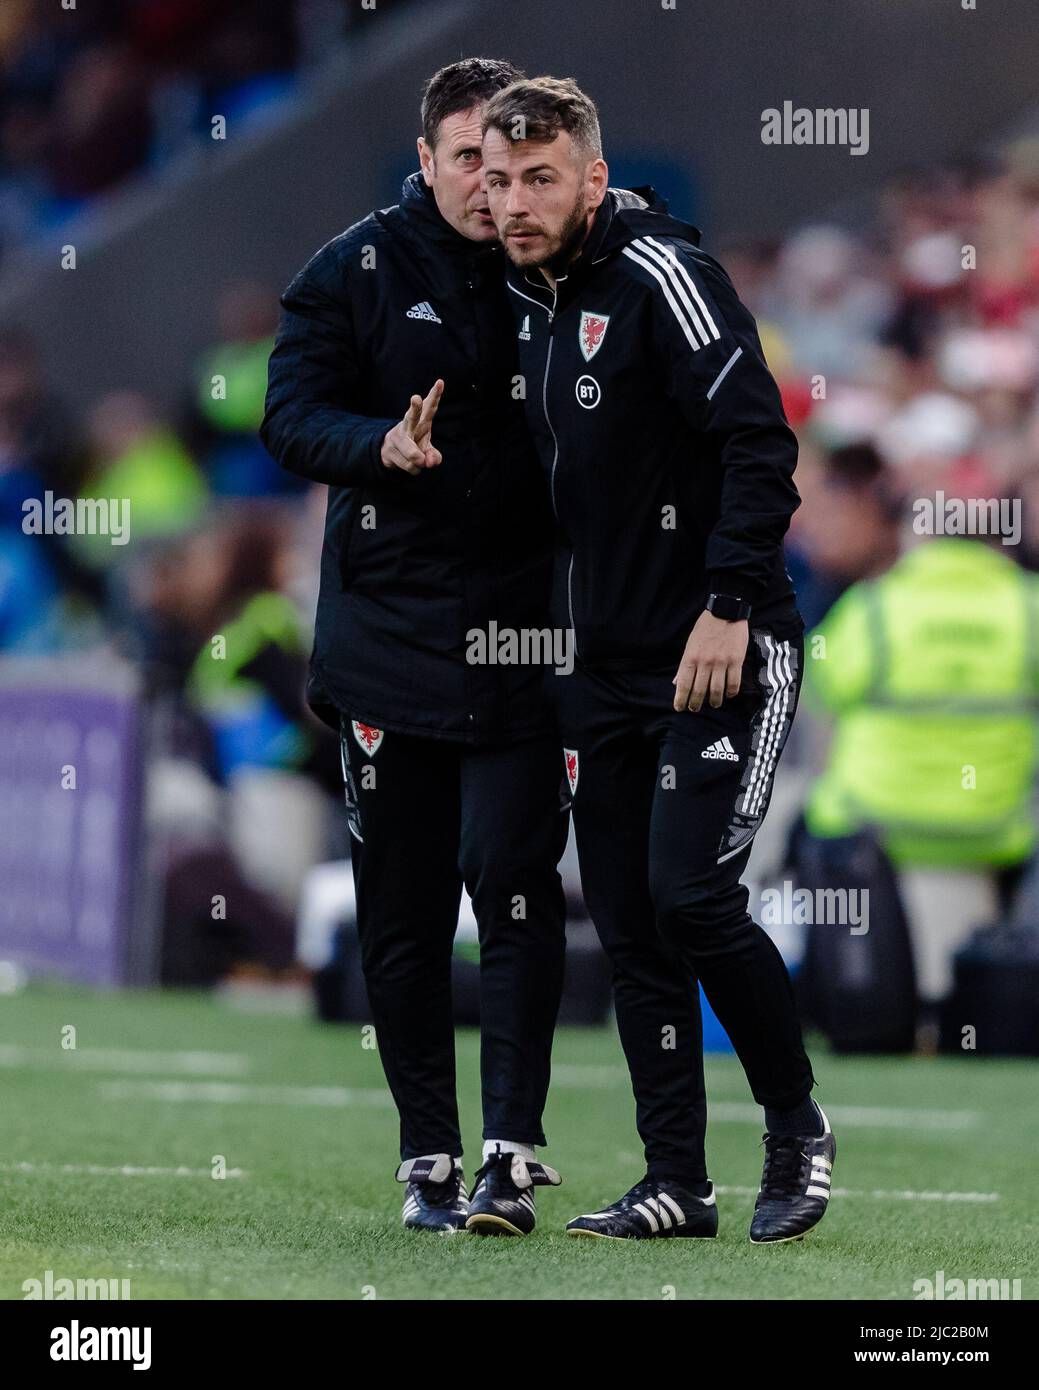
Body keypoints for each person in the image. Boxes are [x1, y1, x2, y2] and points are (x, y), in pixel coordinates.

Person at [482, 77, 834, 1244]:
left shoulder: (661, 277)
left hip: (721, 651)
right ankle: (674, 1178)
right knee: (630, 922)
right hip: (600, 667)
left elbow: (758, 440)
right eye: (498, 178)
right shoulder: (523, 301)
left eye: (540, 178)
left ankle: (797, 1129)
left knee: (691, 898)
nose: (516, 200)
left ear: (591, 175)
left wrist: (729, 599)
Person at [261, 59, 568, 1235]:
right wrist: (377, 443)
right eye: (469, 165)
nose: (494, 191)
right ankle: (427, 1159)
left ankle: (512, 1149)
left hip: (528, 631)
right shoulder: (351, 270)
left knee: (515, 881)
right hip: (388, 631)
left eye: (509, 166)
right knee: (402, 906)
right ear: (427, 159)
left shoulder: (572, 254)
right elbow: (287, 416)